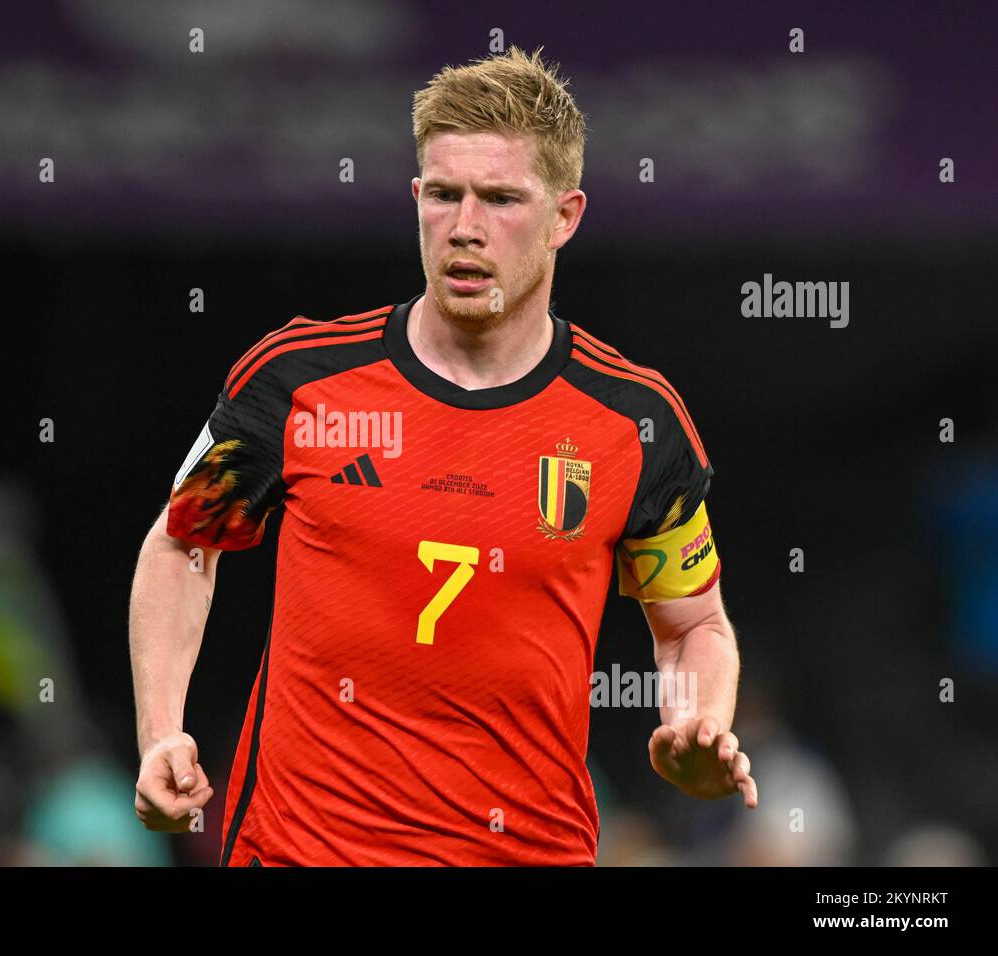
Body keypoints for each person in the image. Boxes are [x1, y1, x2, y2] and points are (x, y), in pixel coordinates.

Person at [129, 46, 756, 866]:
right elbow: (186, 542)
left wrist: (693, 721)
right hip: (299, 850)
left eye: (500, 199)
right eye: (444, 195)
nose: (465, 227)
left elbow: (692, 625)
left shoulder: (633, 424)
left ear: (565, 216)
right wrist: (159, 732)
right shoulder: (304, 380)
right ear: (416, 197)